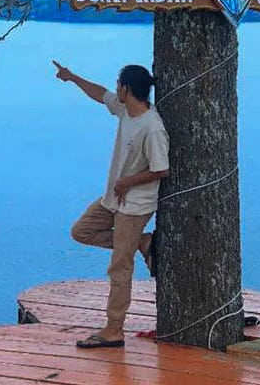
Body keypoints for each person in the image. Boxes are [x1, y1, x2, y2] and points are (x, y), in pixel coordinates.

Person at [53, 60, 170, 349]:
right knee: (81, 231)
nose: (115, 88)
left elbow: (161, 169)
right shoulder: (125, 111)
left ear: (127, 89)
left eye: (119, 84)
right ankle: (143, 242)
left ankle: (114, 329)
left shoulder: (152, 127)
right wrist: (71, 77)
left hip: (134, 206)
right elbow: (100, 93)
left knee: (120, 266)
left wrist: (127, 182)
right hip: (113, 200)